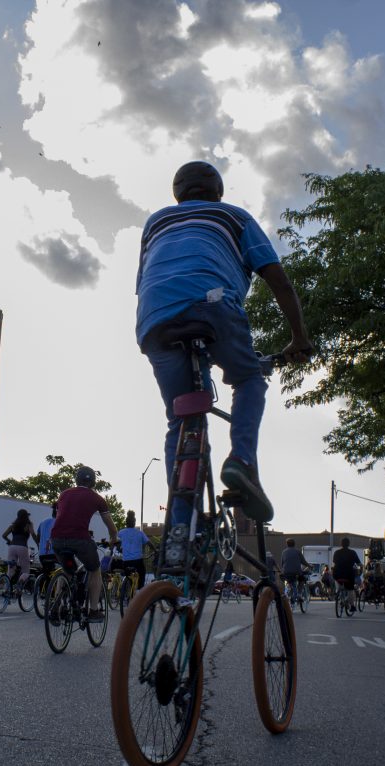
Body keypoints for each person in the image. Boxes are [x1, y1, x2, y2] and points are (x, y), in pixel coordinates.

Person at [136, 161, 311, 525]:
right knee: (248, 379)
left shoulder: (156, 223)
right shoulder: (234, 216)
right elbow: (278, 280)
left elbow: (144, 282)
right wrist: (299, 337)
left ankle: (182, 519)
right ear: (217, 190)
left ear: (178, 193)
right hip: (211, 304)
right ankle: (241, 461)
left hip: (155, 318)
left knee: (180, 419)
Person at [49, 466, 118, 621]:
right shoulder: (98, 499)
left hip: (57, 538)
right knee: (95, 569)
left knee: (66, 570)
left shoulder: (64, 494)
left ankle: (57, 606)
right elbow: (112, 528)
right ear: (93, 482)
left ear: (76, 480)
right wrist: (114, 539)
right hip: (80, 539)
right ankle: (93, 611)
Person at [116, 511, 151, 592]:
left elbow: (115, 542)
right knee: (142, 574)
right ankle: (140, 590)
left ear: (126, 523)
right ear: (134, 522)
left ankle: (128, 591)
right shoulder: (140, 533)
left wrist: (120, 549)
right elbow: (149, 543)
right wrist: (156, 551)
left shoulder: (121, 532)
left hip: (126, 562)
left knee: (128, 576)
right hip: (138, 561)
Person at [1, 508, 34, 588]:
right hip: (22, 547)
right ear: (26, 516)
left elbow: (4, 535)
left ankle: (6, 590)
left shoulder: (13, 525)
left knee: (10, 571)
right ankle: (18, 585)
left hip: (12, 547)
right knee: (25, 571)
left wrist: (9, 541)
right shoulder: (28, 525)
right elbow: (33, 535)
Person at [332, 538, 362, 606]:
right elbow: (359, 564)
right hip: (348, 575)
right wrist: (361, 571)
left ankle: (338, 592)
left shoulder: (336, 552)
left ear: (341, 544)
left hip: (337, 574)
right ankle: (352, 606)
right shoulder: (352, 552)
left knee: (337, 580)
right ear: (348, 544)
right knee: (350, 590)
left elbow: (334, 563)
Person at [33, 503, 57, 578]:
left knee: (46, 574)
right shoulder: (59, 522)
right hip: (54, 554)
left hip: (42, 555)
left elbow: (37, 538)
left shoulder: (43, 522)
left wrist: (40, 547)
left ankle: (42, 588)